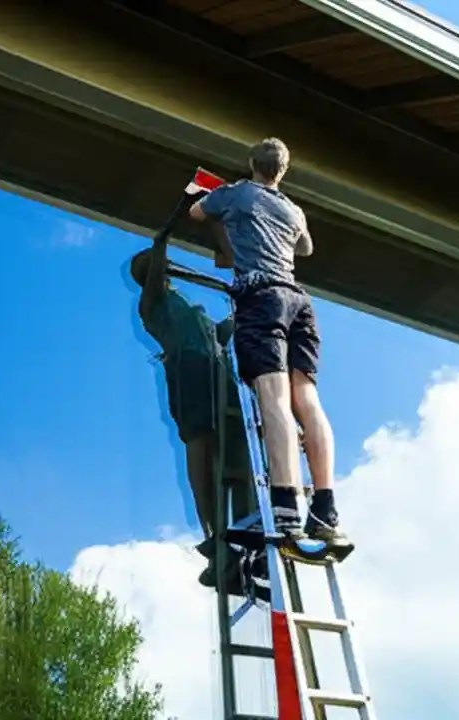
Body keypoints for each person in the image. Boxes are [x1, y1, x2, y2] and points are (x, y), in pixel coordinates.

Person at [188, 138, 351, 551]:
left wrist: (219, 200)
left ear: (252, 164)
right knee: (307, 400)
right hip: (300, 302)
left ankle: (285, 507)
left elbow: (195, 211)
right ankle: (326, 509)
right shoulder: (293, 209)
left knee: (273, 400)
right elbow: (306, 247)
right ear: (283, 170)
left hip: (262, 299)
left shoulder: (238, 192)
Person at [129, 241, 255, 588]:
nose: (167, 266)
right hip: (190, 378)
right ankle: (215, 539)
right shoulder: (152, 305)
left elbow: (218, 334)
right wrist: (162, 239)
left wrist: (238, 315)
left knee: (236, 455)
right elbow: (155, 273)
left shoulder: (186, 306)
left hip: (219, 377)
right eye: (159, 265)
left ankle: (246, 536)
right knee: (201, 450)